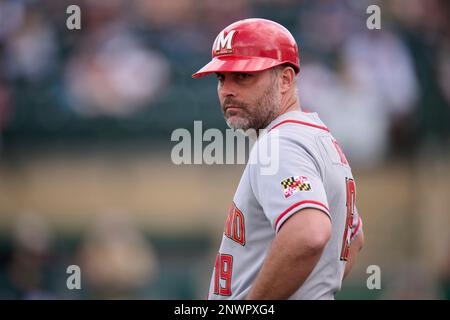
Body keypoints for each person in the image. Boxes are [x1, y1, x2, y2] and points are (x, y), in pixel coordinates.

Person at [192, 18, 364, 300]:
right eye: (222, 78)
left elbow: (308, 234)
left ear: (285, 80)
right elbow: (354, 239)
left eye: (244, 75)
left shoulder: (281, 141)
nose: (227, 90)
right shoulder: (319, 138)